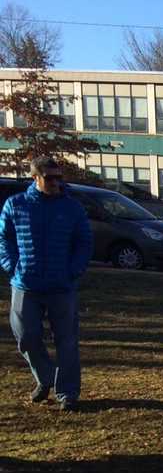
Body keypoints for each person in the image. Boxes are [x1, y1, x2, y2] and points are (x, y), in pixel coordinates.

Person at [0, 156, 92, 411]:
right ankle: (46, 378)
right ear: (35, 178)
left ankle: (68, 392)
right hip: (25, 284)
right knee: (25, 337)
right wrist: (11, 264)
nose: (56, 183)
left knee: (67, 341)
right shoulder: (15, 205)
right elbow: (3, 239)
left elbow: (84, 242)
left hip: (62, 286)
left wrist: (74, 270)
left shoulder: (71, 208)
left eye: (59, 177)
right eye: (49, 178)